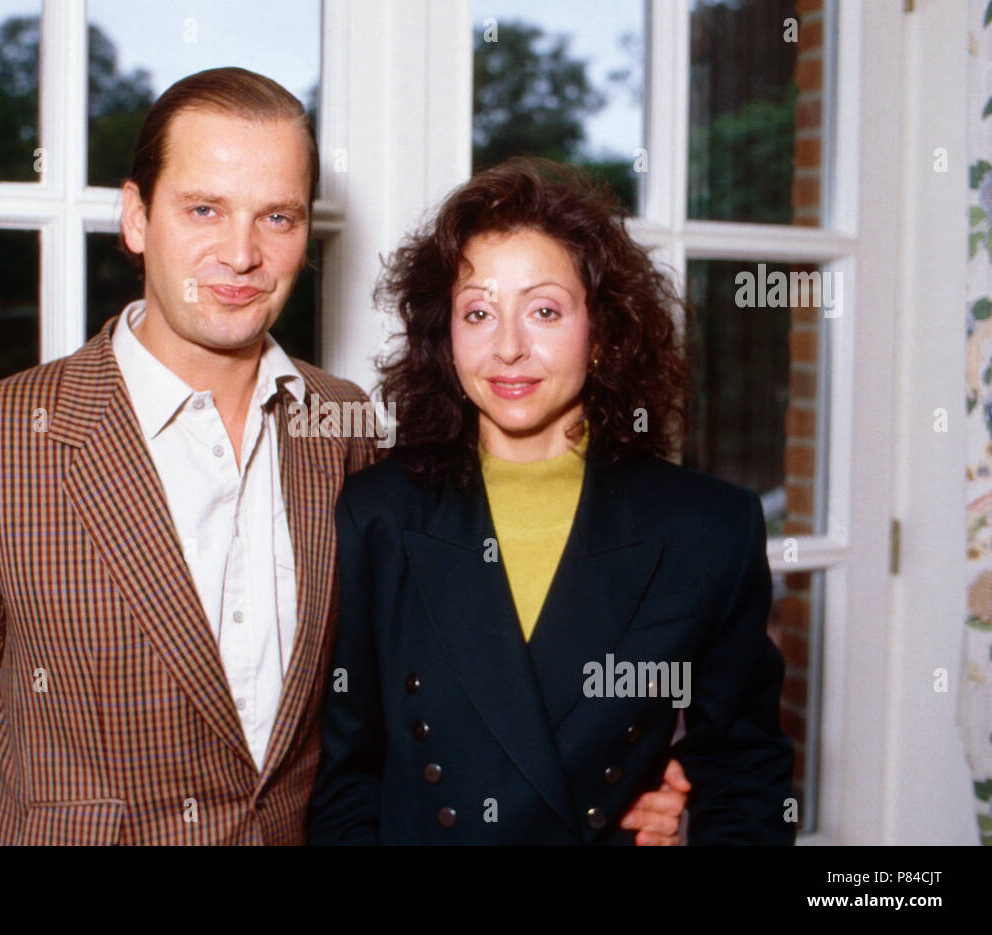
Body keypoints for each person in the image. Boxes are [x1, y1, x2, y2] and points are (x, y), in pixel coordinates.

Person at [0, 69, 687, 845]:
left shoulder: (346, 427)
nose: (243, 254)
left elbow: (432, 698)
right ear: (136, 217)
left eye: (277, 216)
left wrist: (628, 779)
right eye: (204, 210)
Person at [309, 158, 795, 845]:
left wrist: (681, 811)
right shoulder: (378, 513)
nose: (508, 347)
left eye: (543, 310)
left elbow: (746, 782)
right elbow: (346, 784)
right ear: (444, 339)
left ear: (603, 332)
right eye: (478, 312)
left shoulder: (709, 529)